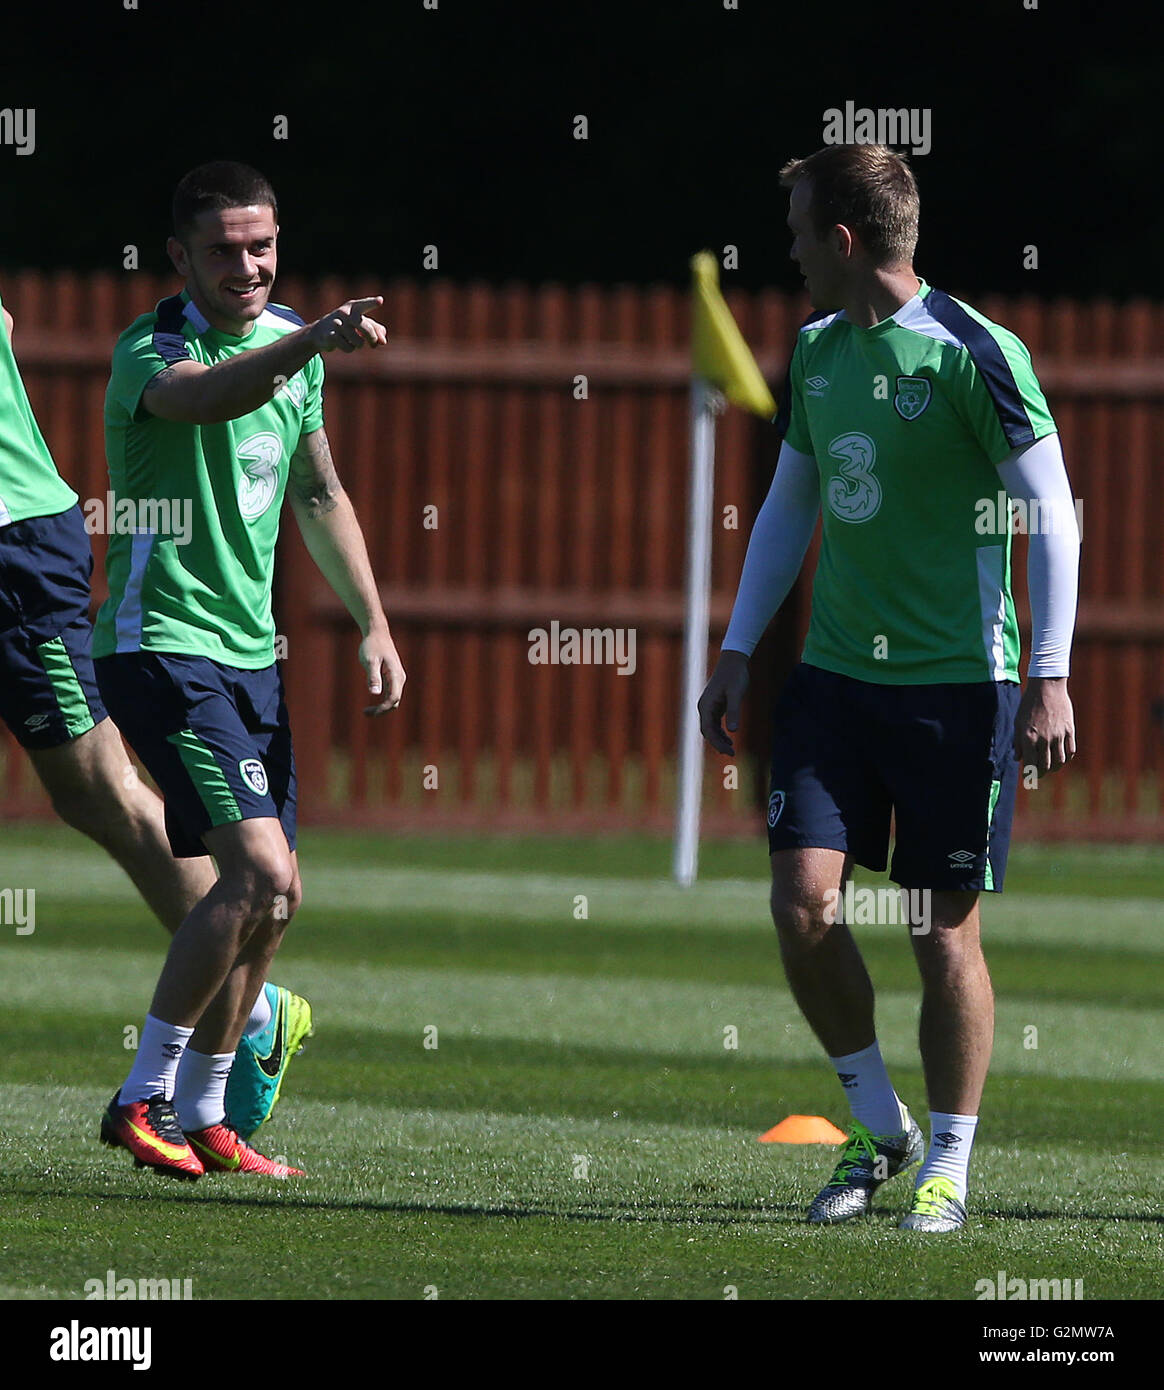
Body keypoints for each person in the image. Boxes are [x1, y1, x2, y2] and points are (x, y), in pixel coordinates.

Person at [699, 144, 1079, 1232]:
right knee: (803, 900)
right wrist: (735, 650)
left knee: (937, 930)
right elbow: (788, 507)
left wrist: (1047, 677)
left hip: (961, 689)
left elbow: (1050, 514)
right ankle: (878, 1128)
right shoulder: (816, 352)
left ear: (845, 240)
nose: (789, 253)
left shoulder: (976, 352)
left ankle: (949, 1163)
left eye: (799, 232)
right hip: (831, 683)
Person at [93, 160, 405, 1179]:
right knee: (257, 872)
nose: (248, 264)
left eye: (262, 245)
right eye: (224, 248)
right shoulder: (154, 348)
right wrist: (311, 340)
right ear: (179, 256)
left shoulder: (291, 344)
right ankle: (141, 1097)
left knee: (280, 897)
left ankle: (210, 1111)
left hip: (248, 657)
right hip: (160, 647)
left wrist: (373, 621)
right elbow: (206, 400)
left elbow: (319, 493)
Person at [0, 283, 309, 1146]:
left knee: (98, 789)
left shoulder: (174, 346)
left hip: (11, 546)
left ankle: (246, 1006)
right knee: (87, 796)